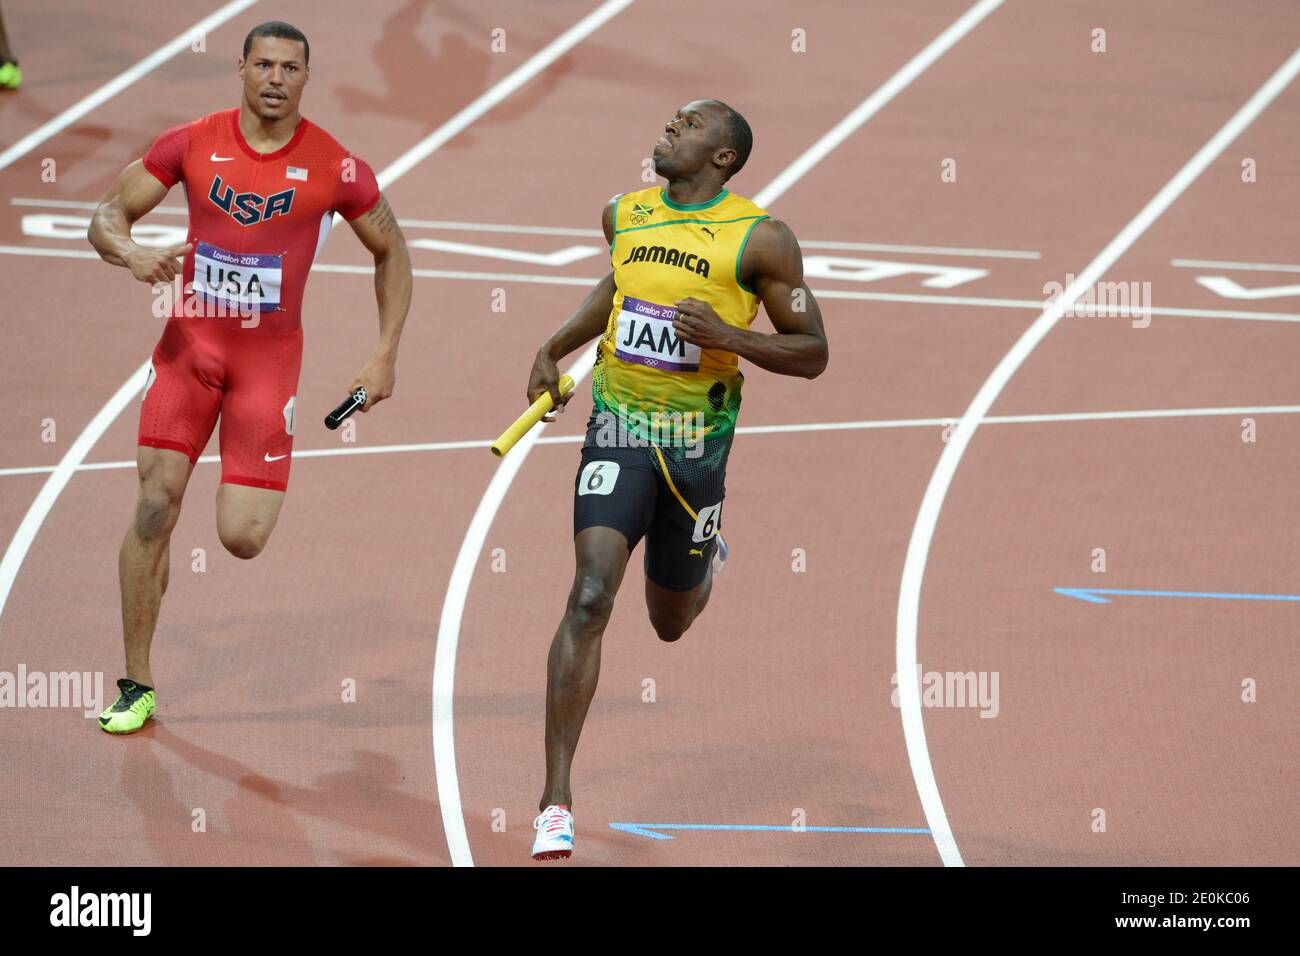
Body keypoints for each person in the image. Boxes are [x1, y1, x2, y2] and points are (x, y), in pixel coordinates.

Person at [87, 21, 412, 734]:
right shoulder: (191, 142)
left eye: (289, 68)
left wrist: (385, 351)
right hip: (189, 350)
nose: (274, 78)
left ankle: (183, 554)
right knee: (154, 504)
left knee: (242, 537)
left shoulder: (337, 167)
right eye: (262, 64)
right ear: (239, 69)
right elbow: (106, 215)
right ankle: (136, 681)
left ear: (305, 78)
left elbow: (392, 252)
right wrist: (132, 253)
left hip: (267, 364)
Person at [525, 100, 828, 860]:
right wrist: (558, 343)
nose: (668, 129)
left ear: (722, 158)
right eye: (670, 121)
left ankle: (706, 557)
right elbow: (618, 286)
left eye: (688, 126)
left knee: (669, 621)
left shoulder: (762, 239)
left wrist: (728, 336)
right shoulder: (622, 213)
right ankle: (555, 799)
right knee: (591, 594)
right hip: (619, 426)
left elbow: (813, 348)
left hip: (698, 447)